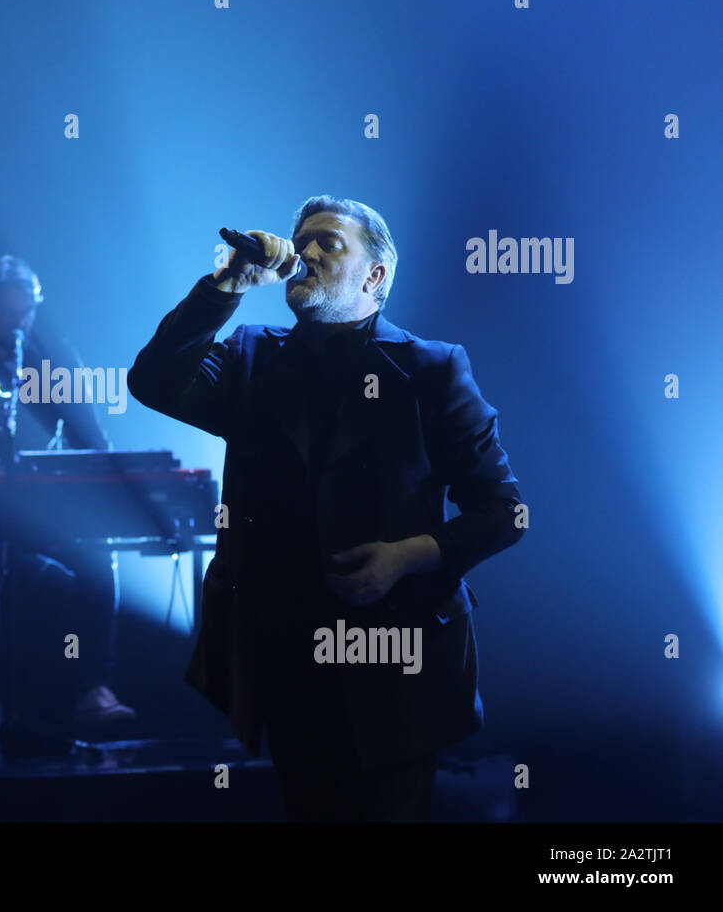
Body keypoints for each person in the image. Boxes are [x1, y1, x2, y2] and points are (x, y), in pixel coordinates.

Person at [127, 197, 525, 820]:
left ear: (375, 276)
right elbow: (153, 381)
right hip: (285, 656)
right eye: (301, 239)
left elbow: (503, 511)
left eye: (329, 242)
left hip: (395, 661)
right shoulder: (253, 355)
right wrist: (227, 283)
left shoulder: (431, 369)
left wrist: (406, 556)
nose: (306, 251)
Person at [0, 255, 135, 737]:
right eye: (8, 306)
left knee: (99, 560)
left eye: (25, 308)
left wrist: (110, 475)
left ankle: (95, 689)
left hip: (42, 507)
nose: (18, 317)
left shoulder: (56, 357)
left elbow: (90, 437)